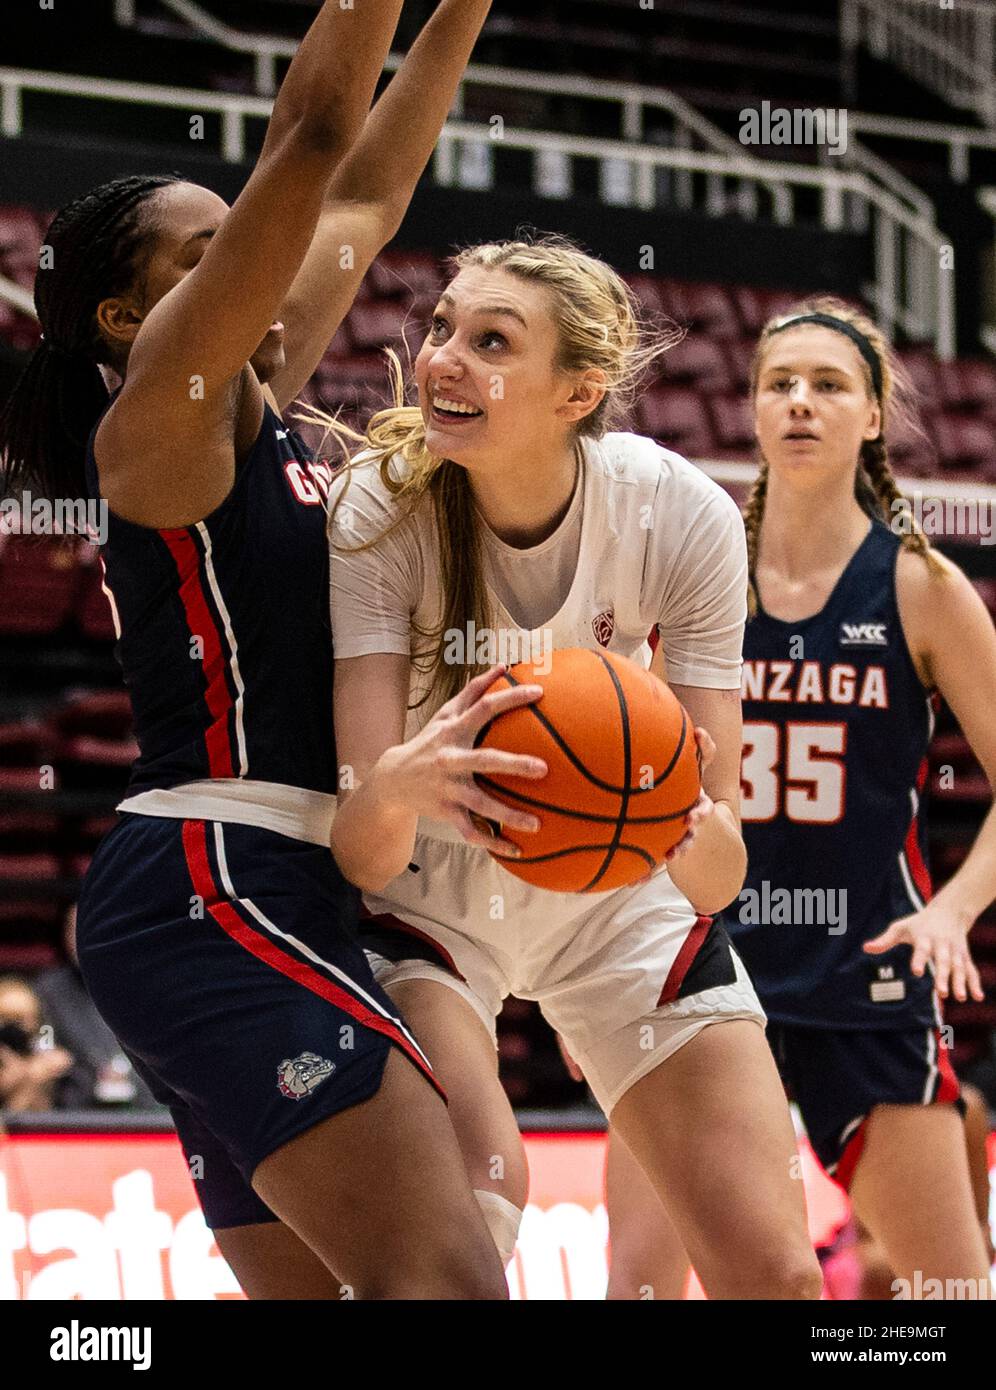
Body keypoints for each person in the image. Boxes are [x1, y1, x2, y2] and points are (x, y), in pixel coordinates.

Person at [0, 0, 508, 1300]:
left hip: (266, 885)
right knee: (449, 1283)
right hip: (216, 875)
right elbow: (316, 135)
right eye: (210, 255)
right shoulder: (155, 437)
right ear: (128, 319)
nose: (260, 267)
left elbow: (370, 188)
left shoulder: (259, 414)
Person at [326, 234, 823, 1299]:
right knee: (479, 1216)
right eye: (444, 327)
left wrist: (706, 833)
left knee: (777, 1274)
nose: (442, 358)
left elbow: (716, 876)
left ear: (578, 391)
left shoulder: (677, 509)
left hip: (620, 892)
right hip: (434, 895)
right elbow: (363, 848)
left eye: (491, 340)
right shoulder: (382, 506)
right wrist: (402, 786)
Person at [599, 297, 996, 1298]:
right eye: (781, 382)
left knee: (951, 1293)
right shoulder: (694, 568)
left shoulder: (920, 585)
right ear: (751, 407)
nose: (801, 403)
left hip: (864, 967)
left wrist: (954, 908)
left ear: (872, 417)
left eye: (829, 385)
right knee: (640, 1283)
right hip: (698, 957)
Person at [34, 905, 161, 1108]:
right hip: (77, 1097)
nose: (78, 939)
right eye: (71, 930)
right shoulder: (50, 990)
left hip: (144, 1096)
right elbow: (44, 1036)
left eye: (85, 929)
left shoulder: (144, 982)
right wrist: (47, 1051)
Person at [0, 976, 73, 1114]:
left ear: (36, 1022)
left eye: (21, 1019)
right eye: (5, 1018)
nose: (13, 1027)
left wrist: (37, 1078)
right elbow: (8, 1124)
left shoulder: (49, 1060)